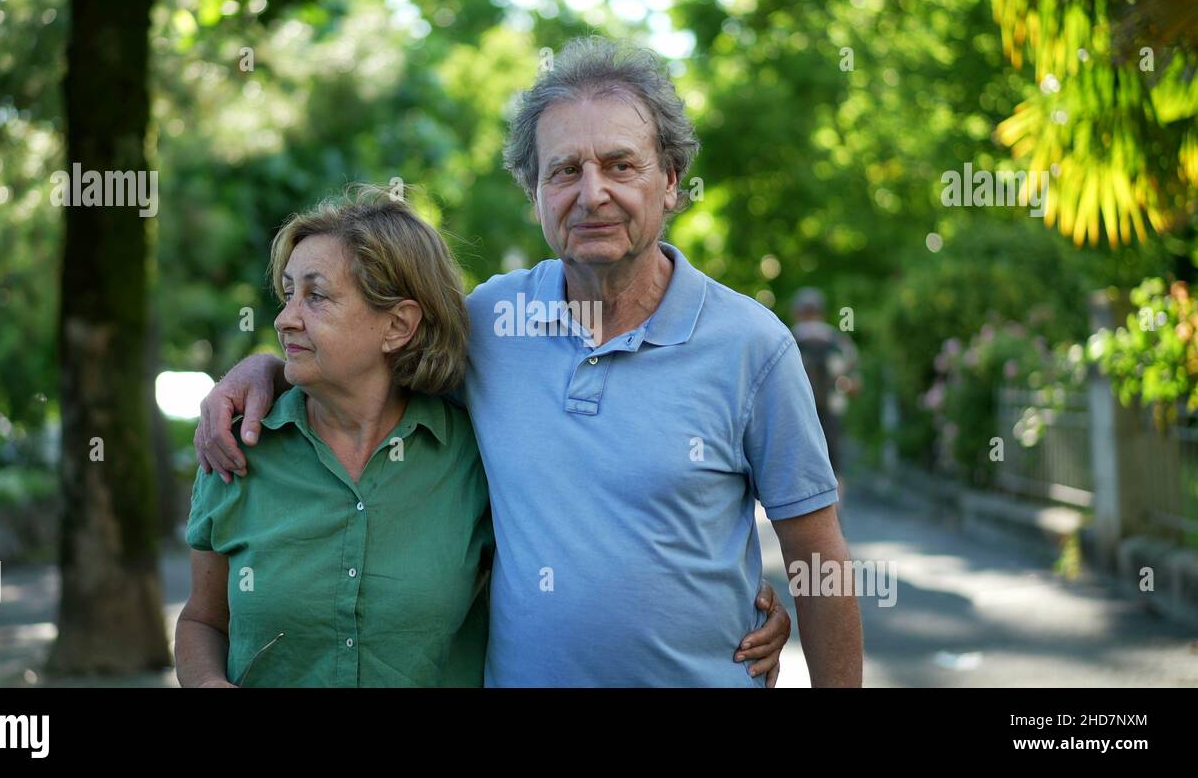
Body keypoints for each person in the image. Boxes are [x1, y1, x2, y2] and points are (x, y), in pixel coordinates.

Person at [197, 38, 861, 686]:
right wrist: (263, 371)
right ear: (535, 192)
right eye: (564, 170)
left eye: (620, 165)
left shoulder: (752, 346)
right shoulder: (490, 324)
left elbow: (818, 555)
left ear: (672, 183)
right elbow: (370, 350)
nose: (592, 193)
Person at [176, 187, 787, 687]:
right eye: (287, 294)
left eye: (317, 296)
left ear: (398, 325)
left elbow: (588, 547)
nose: (285, 317)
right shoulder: (234, 447)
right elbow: (202, 622)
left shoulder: (473, 454)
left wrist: (721, 602)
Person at [789, 287, 860, 499]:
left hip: (796, 416)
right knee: (834, 465)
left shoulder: (787, 338)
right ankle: (836, 513)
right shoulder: (837, 340)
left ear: (797, 312)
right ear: (822, 311)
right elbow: (854, 384)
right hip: (831, 415)